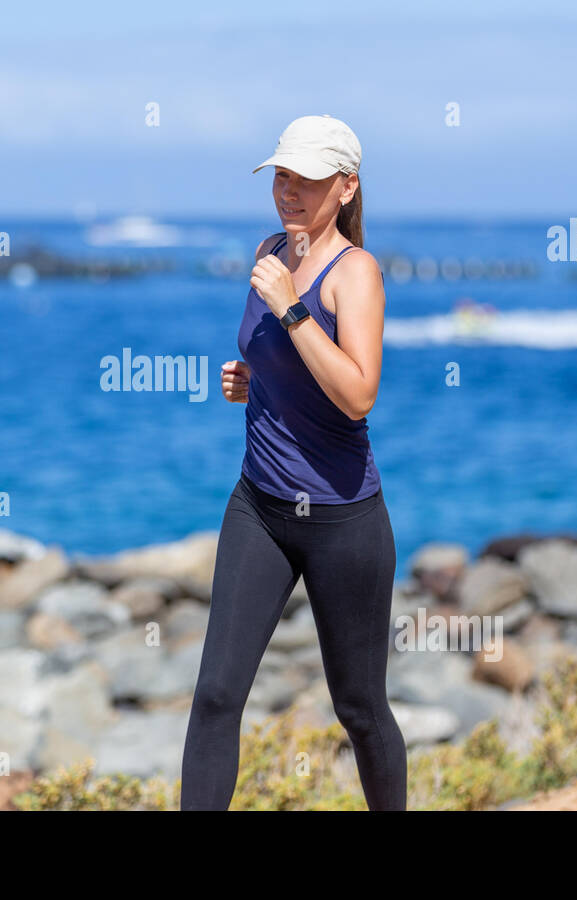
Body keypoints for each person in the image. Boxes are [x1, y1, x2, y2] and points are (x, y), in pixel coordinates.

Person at [180, 115, 406, 810]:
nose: (290, 192)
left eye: (307, 180)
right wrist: (252, 380)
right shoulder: (270, 250)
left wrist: (292, 311)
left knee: (360, 709)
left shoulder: (355, 273)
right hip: (260, 508)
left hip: (343, 521)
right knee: (217, 694)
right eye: (282, 176)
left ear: (346, 186)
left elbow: (359, 394)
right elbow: (290, 366)